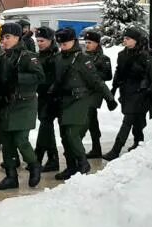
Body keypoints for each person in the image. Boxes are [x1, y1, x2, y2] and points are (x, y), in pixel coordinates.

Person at [52, 28, 116, 180]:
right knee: (64, 136)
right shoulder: (58, 58)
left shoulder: (82, 59)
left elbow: (96, 81)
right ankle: (71, 166)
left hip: (79, 100)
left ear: (73, 41)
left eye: (65, 43)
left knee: (72, 133)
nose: (62, 47)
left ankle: (83, 163)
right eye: (60, 44)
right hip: (63, 101)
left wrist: (110, 99)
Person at [0, 22, 45, 189]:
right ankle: (11, 176)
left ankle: (34, 165)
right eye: (2, 38)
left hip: (24, 104)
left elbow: (39, 77)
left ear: (17, 37)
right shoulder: (4, 58)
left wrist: (19, 77)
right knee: (7, 142)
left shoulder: (28, 56)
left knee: (20, 139)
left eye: (7, 37)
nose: (4, 41)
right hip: (7, 105)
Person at [103, 26, 151, 161]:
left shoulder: (144, 55)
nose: (125, 40)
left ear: (135, 41)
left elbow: (148, 74)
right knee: (138, 120)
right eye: (124, 38)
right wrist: (114, 87)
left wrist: (140, 75)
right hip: (126, 92)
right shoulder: (122, 54)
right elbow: (119, 71)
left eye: (128, 38)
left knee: (128, 120)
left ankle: (116, 149)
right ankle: (139, 143)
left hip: (139, 92)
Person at [33, 26, 60, 173]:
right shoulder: (39, 55)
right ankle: (52, 159)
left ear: (50, 40)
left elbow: (56, 78)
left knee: (45, 126)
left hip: (52, 97)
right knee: (47, 128)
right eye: (37, 40)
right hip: (42, 96)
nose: (39, 43)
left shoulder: (55, 57)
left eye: (42, 40)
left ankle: (38, 157)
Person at [82, 29, 112, 158]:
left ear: (97, 44)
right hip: (84, 92)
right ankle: (96, 148)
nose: (87, 44)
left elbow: (108, 75)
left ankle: (80, 147)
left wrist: (92, 75)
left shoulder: (103, 58)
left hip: (95, 93)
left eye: (90, 42)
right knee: (92, 121)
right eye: (86, 42)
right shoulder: (82, 56)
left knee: (88, 118)